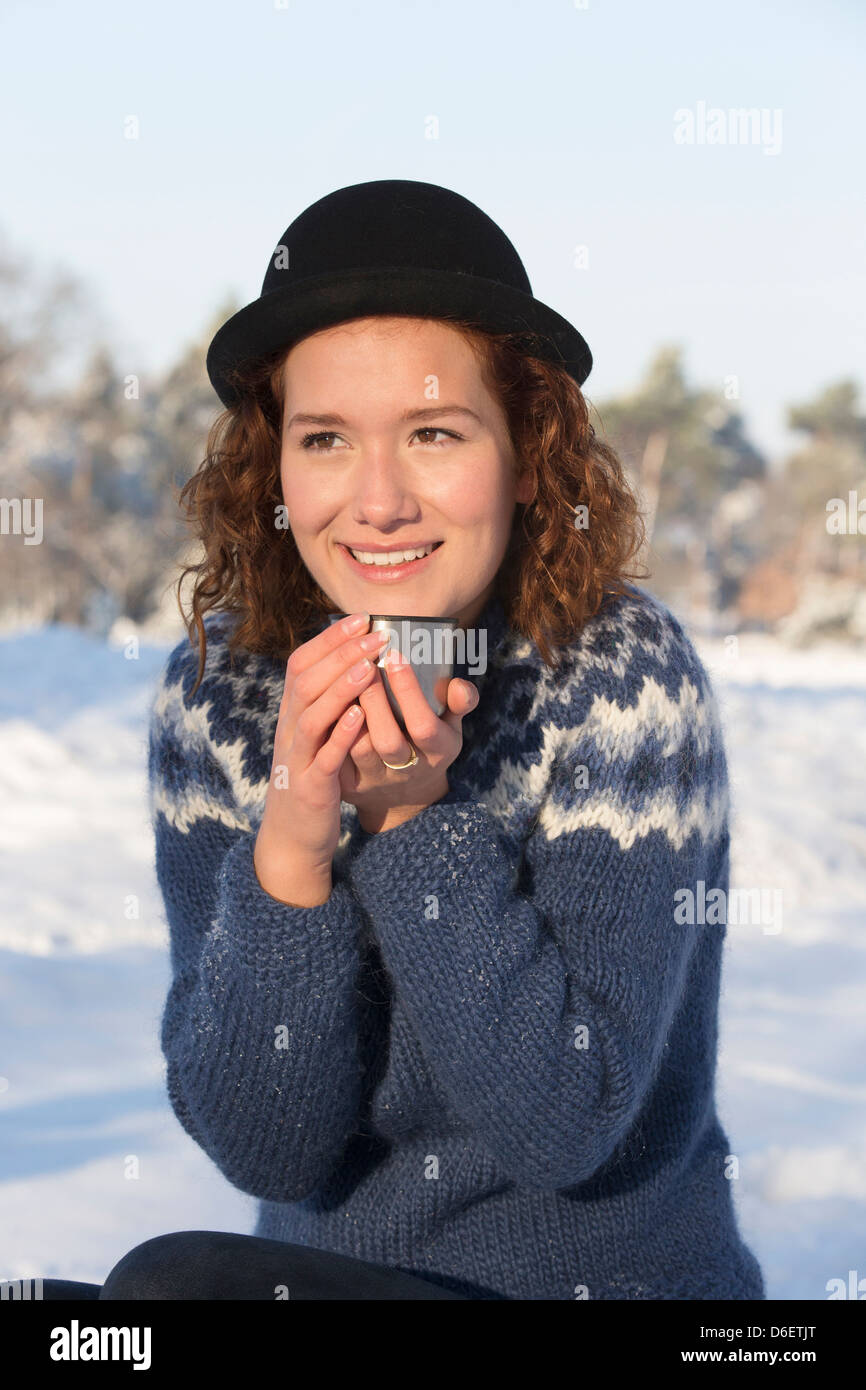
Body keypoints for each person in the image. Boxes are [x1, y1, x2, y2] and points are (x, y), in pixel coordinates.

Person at [41, 178, 766, 1300]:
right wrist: (290, 846)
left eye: (432, 432)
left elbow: (561, 1124)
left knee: (167, 1283)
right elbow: (264, 1149)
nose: (375, 501)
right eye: (325, 438)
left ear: (526, 456)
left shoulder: (616, 683)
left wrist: (413, 824)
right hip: (319, 1286)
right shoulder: (224, 692)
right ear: (272, 470)